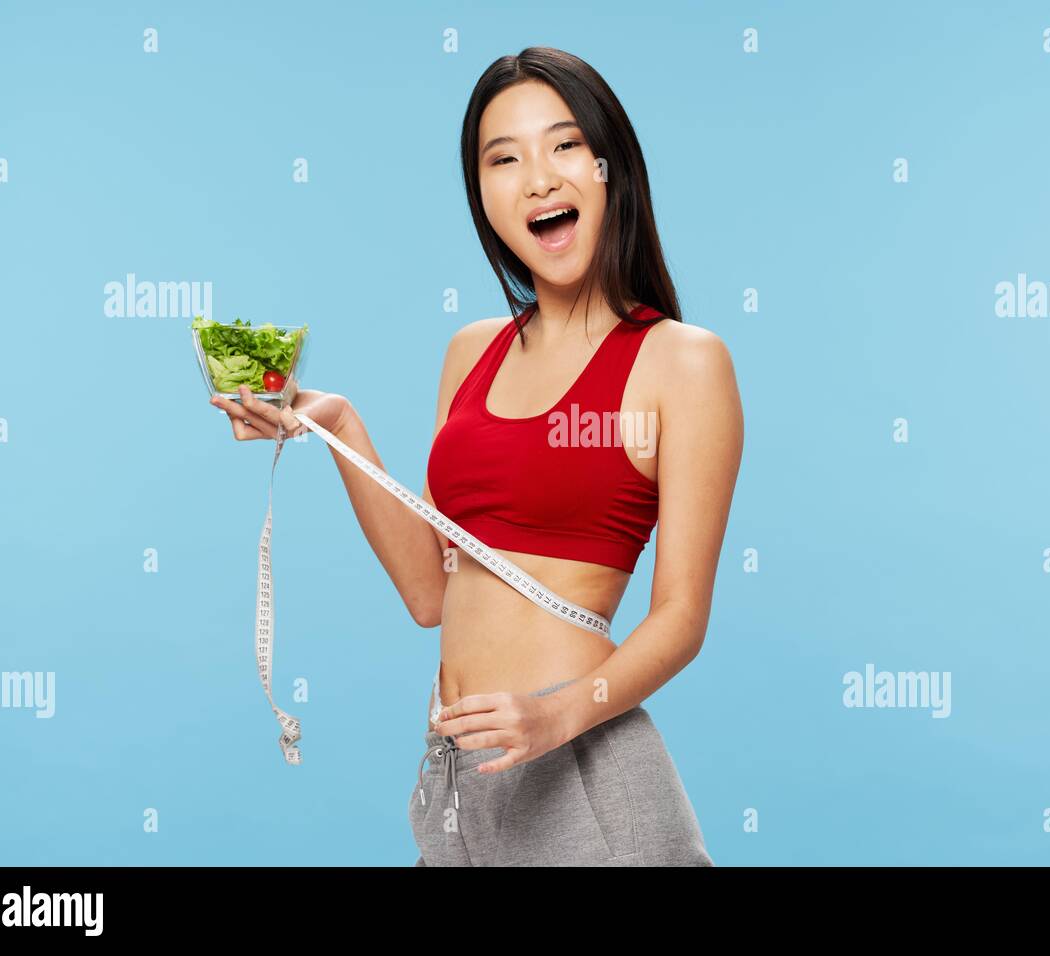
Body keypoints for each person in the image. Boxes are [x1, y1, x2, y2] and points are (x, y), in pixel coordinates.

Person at [210, 46, 743, 866]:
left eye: (564, 146)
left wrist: (557, 715)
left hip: (583, 771)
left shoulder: (683, 360)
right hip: (456, 779)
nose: (537, 178)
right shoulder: (471, 352)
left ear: (611, 169)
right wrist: (341, 425)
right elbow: (432, 594)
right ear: (483, 196)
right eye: (504, 158)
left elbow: (681, 619)